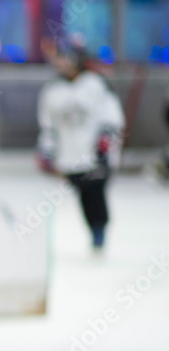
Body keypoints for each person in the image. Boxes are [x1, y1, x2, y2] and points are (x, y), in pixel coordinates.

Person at [36, 39, 125, 254]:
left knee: (96, 192)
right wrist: (46, 150)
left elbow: (112, 117)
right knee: (85, 195)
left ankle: (99, 230)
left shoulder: (96, 84)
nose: (62, 62)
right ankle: (94, 229)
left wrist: (105, 141)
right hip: (70, 155)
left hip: (96, 154)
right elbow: (48, 124)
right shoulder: (52, 90)